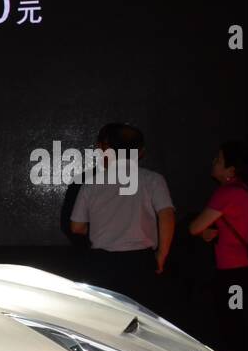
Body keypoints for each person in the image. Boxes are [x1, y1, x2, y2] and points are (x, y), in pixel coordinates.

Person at [69, 123, 175, 314]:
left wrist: (101, 228)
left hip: (102, 264)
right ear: (141, 152)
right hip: (140, 262)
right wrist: (162, 254)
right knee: (142, 321)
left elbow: (76, 227)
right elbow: (166, 216)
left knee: (105, 320)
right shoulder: (153, 180)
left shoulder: (92, 183)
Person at [188, 140, 248, 351]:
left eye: (218, 159)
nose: (213, 163)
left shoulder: (227, 192)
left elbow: (195, 227)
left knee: (233, 324)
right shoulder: (242, 190)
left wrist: (204, 230)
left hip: (233, 274)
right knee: (235, 322)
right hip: (239, 271)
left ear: (231, 169)